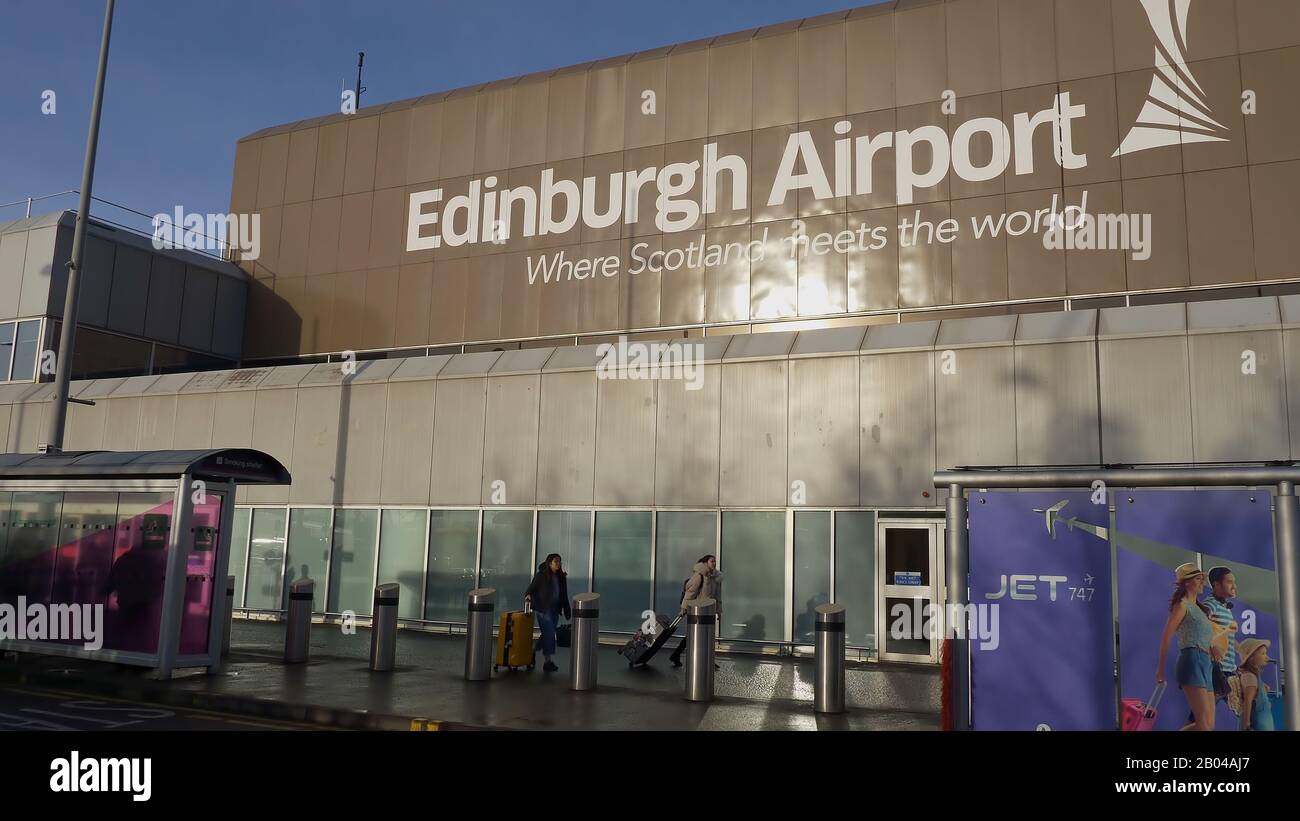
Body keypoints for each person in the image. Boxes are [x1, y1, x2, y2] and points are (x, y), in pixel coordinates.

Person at [1155, 563, 1217, 730]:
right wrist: (1160, 669)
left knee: (1209, 724)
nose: (1202, 582)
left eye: (1202, 579)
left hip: (1206, 662)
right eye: (1198, 579)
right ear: (1187, 582)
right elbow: (1166, 637)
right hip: (1191, 659)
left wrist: (1213, 648)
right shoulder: (1182, 605)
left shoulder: (1201, 609)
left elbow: (1205, 636)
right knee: (1204, 723)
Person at [668, 555, 722, 669]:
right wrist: (684, 608)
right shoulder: (699, 576)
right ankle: (677, 655)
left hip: (708, 611)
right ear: (705, 562)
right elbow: (690, 593)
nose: (714, 563)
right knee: (694, 637)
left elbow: (717, 597)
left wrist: (718, 611)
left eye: (715, 561)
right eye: (712, 561)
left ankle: (707, 660)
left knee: (708, 636)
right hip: (697, 611)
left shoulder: (716, 578)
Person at [524, 553, 570, 673]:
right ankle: (547, 662)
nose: (558, 564)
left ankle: (531, 653)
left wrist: (566, 609)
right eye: (556, 562)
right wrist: (528, 597)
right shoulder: (541, 576)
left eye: (559, 561)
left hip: (555, 609)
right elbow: (530, 589)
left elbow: (564, 595)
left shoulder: (561, 577)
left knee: (547, 634)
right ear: (549, 563)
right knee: (549, 634)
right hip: (543, 609)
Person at [1236, 638, 1275, 731]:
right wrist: (1246, 723)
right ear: (1251, 657)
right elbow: (1248, 701)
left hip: (1264, 724)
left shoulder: (1254, 677)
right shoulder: (1250, 677)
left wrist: (1261, 688)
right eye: (1263, 653)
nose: (1267, 657)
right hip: (1258, 724)